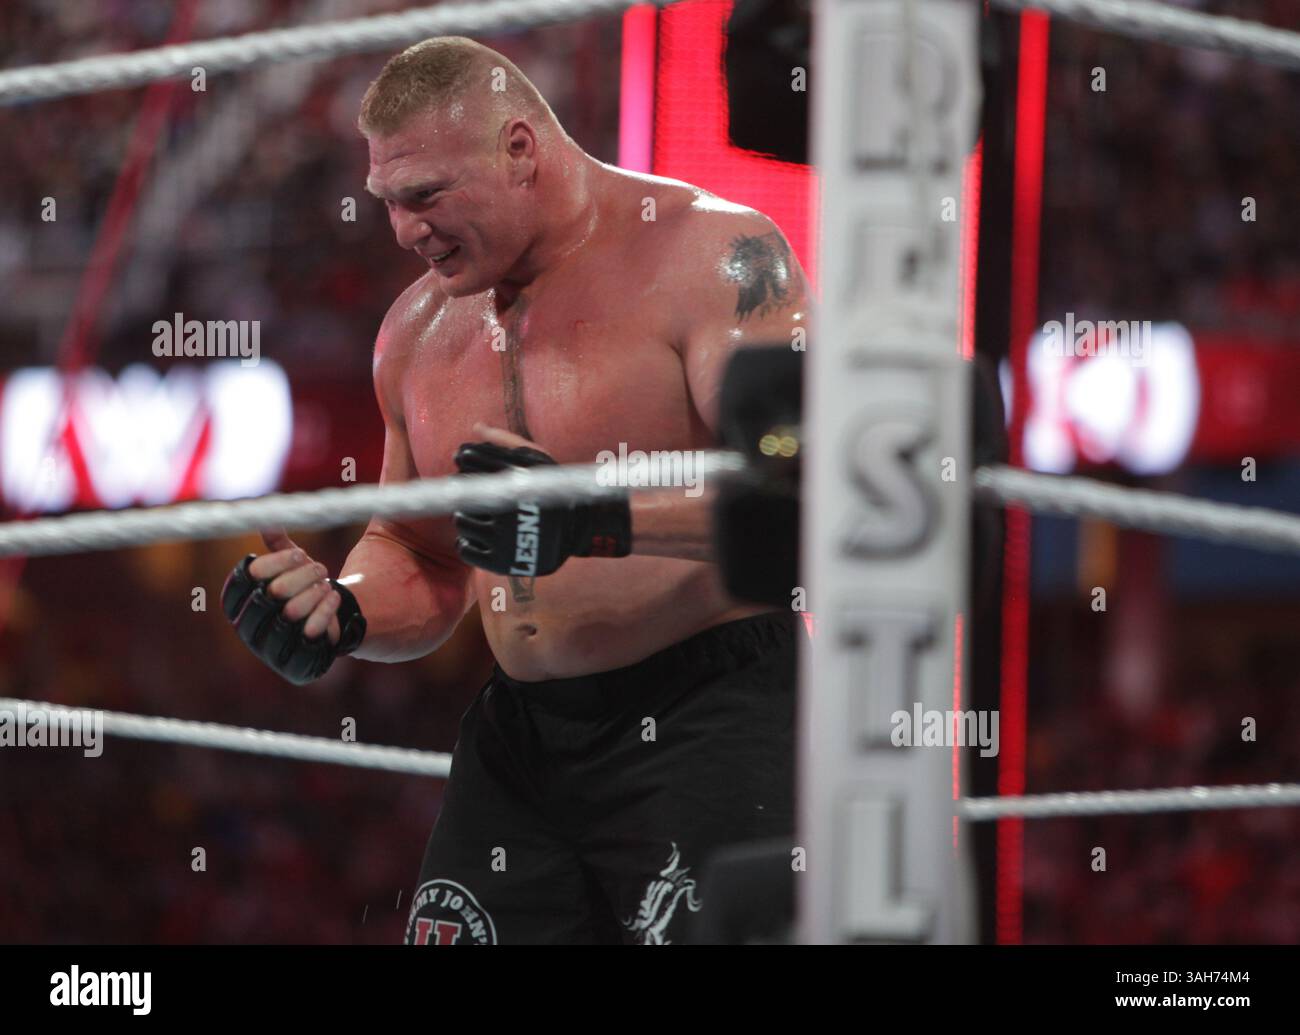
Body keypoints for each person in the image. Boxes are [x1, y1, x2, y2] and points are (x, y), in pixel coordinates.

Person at [221, 36, 811, 944]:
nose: (405, 230)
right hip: (526, 736)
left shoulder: (715, 256)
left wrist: (598, 519)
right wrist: (339, 611)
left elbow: (805, 498)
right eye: (388, 201)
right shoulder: (414, 332)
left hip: (717, 713)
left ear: (520, 149)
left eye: (425, 195)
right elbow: (417, 551)